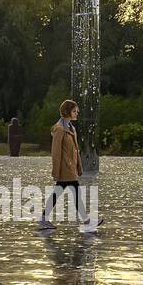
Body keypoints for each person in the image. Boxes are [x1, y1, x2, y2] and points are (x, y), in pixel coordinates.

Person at [39, 99, 103, 232]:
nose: (77, 113)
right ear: (67, 112)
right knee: (75, 194)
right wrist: (56, 171)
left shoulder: (70, 128)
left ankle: (44, 217)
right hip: (65, 169)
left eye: (77, 111)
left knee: (58, 193)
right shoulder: (60, 129)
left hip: (70, 168)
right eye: (74, 111)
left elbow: (75, 150)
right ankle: (87, 221)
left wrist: (78, 166)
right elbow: (55, 152)